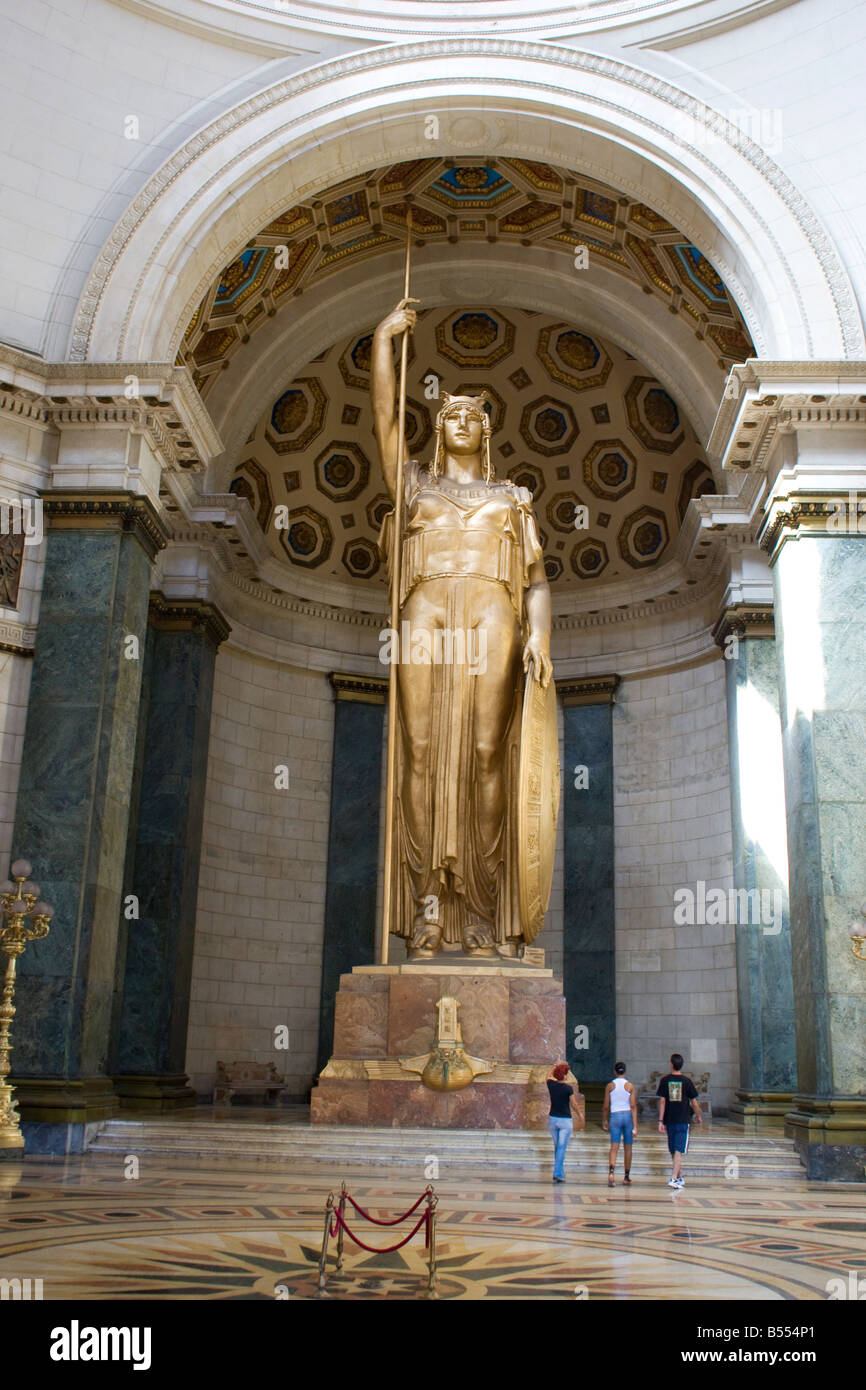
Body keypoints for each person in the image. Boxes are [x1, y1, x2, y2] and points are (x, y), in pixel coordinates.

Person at [371, 300, 553, 958]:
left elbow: (537, 581)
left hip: (493, 611)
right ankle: (427, 902)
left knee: (485, 754)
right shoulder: (412, 485)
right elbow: (385, 416)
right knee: (419, 751)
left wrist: (541, 637)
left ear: (486, 428)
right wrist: (384, 340)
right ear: (438, 427)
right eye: (451, 414)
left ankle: (479, 909)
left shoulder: (513, 498)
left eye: (473, 415)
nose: (462, 422)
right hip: (425, 610)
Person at [656, 1052, 702, 1189]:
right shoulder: (687, 1081)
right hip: (683, 1119)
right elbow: (694, 1102)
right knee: (677, 1150)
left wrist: (660, 1120)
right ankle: (674, 1178)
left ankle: (679, 1176)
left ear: (671, 1064)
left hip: (669, 1119)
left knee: (674, 1149)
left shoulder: (665, 1080)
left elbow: (662, 1101)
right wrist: (698, 1115)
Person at [602, 1061, 637, 1186]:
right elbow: (633, 1106)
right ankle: (626, 1176)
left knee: (614, 1147)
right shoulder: (630, 1086)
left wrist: (604, 1120)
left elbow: (606, 1106)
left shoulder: (610, 1086)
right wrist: (635, 1126)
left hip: (615, 1116)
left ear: (614, 1072)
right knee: (628, 1147)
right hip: (627, 1116)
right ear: (625, 1072)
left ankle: (611, 1173)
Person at [545, 1060, 581, 1182]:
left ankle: (560, 1172)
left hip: (553, 1119)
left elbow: (547, 1076)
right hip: (565, 1121)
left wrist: (555, 1066)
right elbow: (574, 1104)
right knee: (561, 1147)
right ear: (564, 1075)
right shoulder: (568, 1089)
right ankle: (558, 1174)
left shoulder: (551, 1085)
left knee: (557, 1147)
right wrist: (580, 1114)